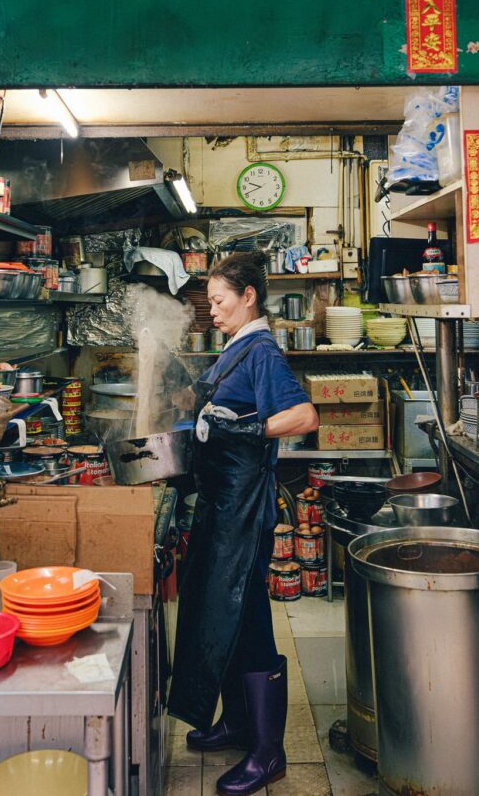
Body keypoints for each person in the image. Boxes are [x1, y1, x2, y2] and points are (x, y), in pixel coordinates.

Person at [168, 252, 318, 796]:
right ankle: (235, 723)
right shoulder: (235, 349)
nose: (212, 311)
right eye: (209, 302)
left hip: (244, 510)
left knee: (249, 619)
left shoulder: (262, 351)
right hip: (220, 506)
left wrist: (252, 430)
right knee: (220, 614)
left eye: (219, 300)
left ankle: (267, 752)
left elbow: (304, 416)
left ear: (248, 295)